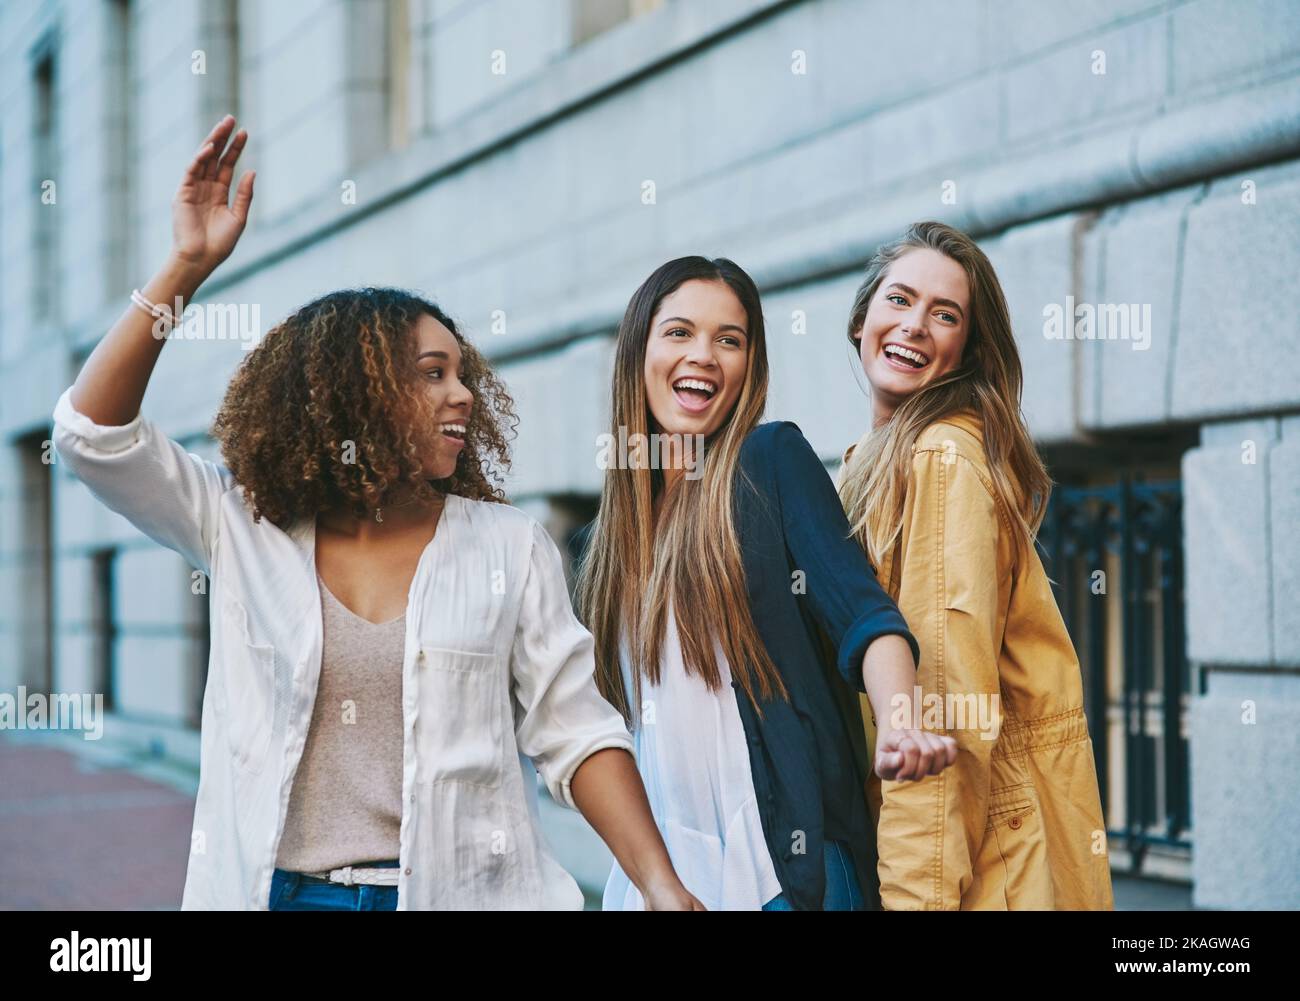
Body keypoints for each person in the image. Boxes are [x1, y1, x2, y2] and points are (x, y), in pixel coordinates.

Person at [52, 115, 702, 911]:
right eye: (432, 373)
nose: (461, 393)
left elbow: (577, 730)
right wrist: (186, 266)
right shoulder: (240, 526)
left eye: (462, 373)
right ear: (357, 393)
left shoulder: (508, 546)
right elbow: (91, 437)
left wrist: (659, 882)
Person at [578, 255, 957, 911]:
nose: (705, 355)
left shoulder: (768, 462)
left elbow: (867, 618)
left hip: (782, 874)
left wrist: (900, 722)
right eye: (680, 333)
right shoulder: (609, 544)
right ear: (638, 350)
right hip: (665, 884)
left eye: (730, 339)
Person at [836, 220, 1115, 909]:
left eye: (945, 314)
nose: (915, 325)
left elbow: (943, 709)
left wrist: (914, 900)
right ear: (861, 318)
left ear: (966, 349)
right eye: (900, 300)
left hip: (977, 873)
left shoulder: (939, 460)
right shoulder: (872, 462)